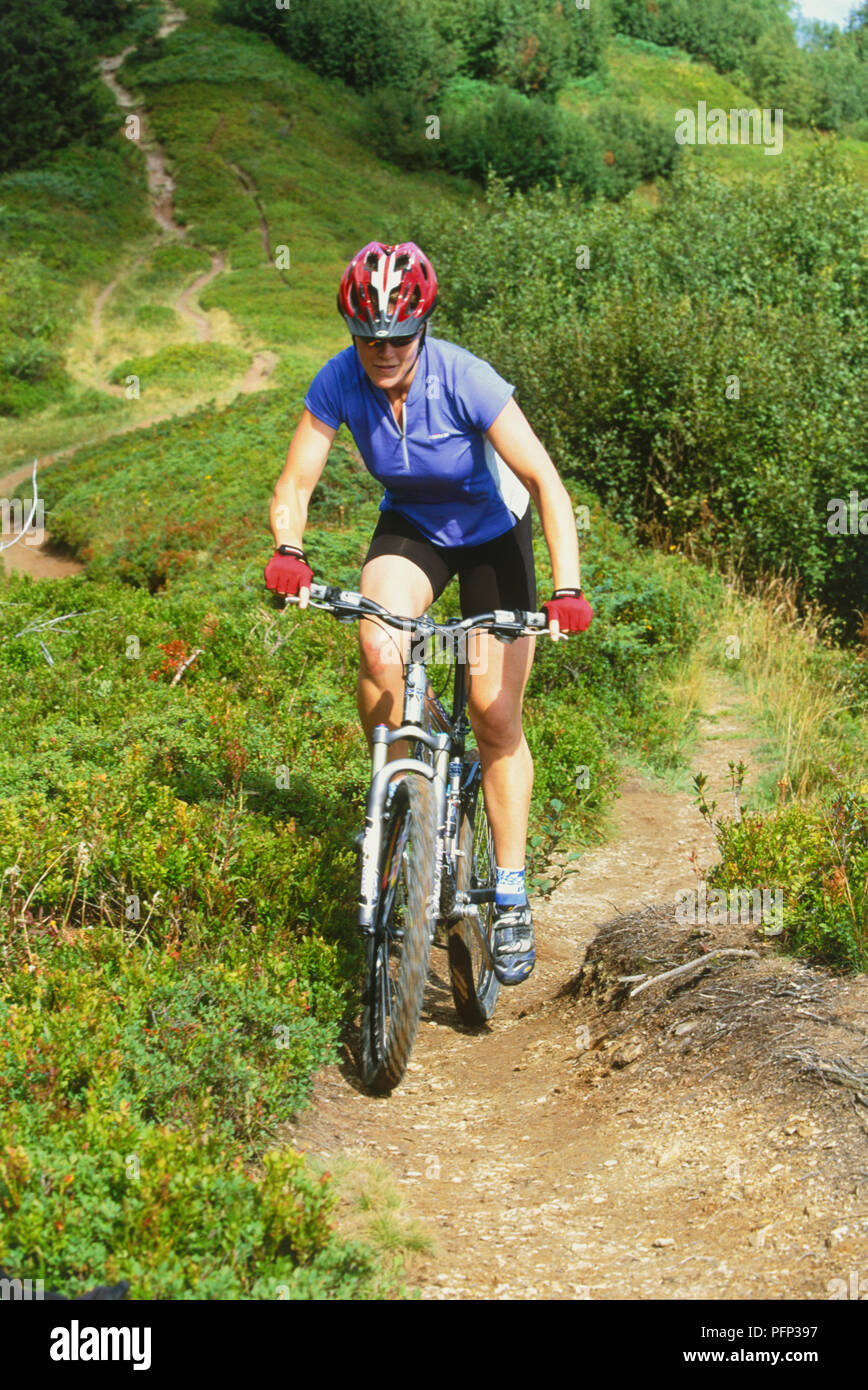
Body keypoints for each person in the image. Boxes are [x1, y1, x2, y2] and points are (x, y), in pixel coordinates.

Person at [265, 241, 592, 986]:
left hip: (492, 535)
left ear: (424, 327)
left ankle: (509, 893)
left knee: (492, 712)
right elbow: (296, 480)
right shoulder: (339, 380)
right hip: (413, 527)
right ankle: (397, 791)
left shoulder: (466, 377)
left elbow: (545, 482)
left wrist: (566, 590)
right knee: (379, 645)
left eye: (398, 337)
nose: (382, 351)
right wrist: (289, 545)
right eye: (367, 336)